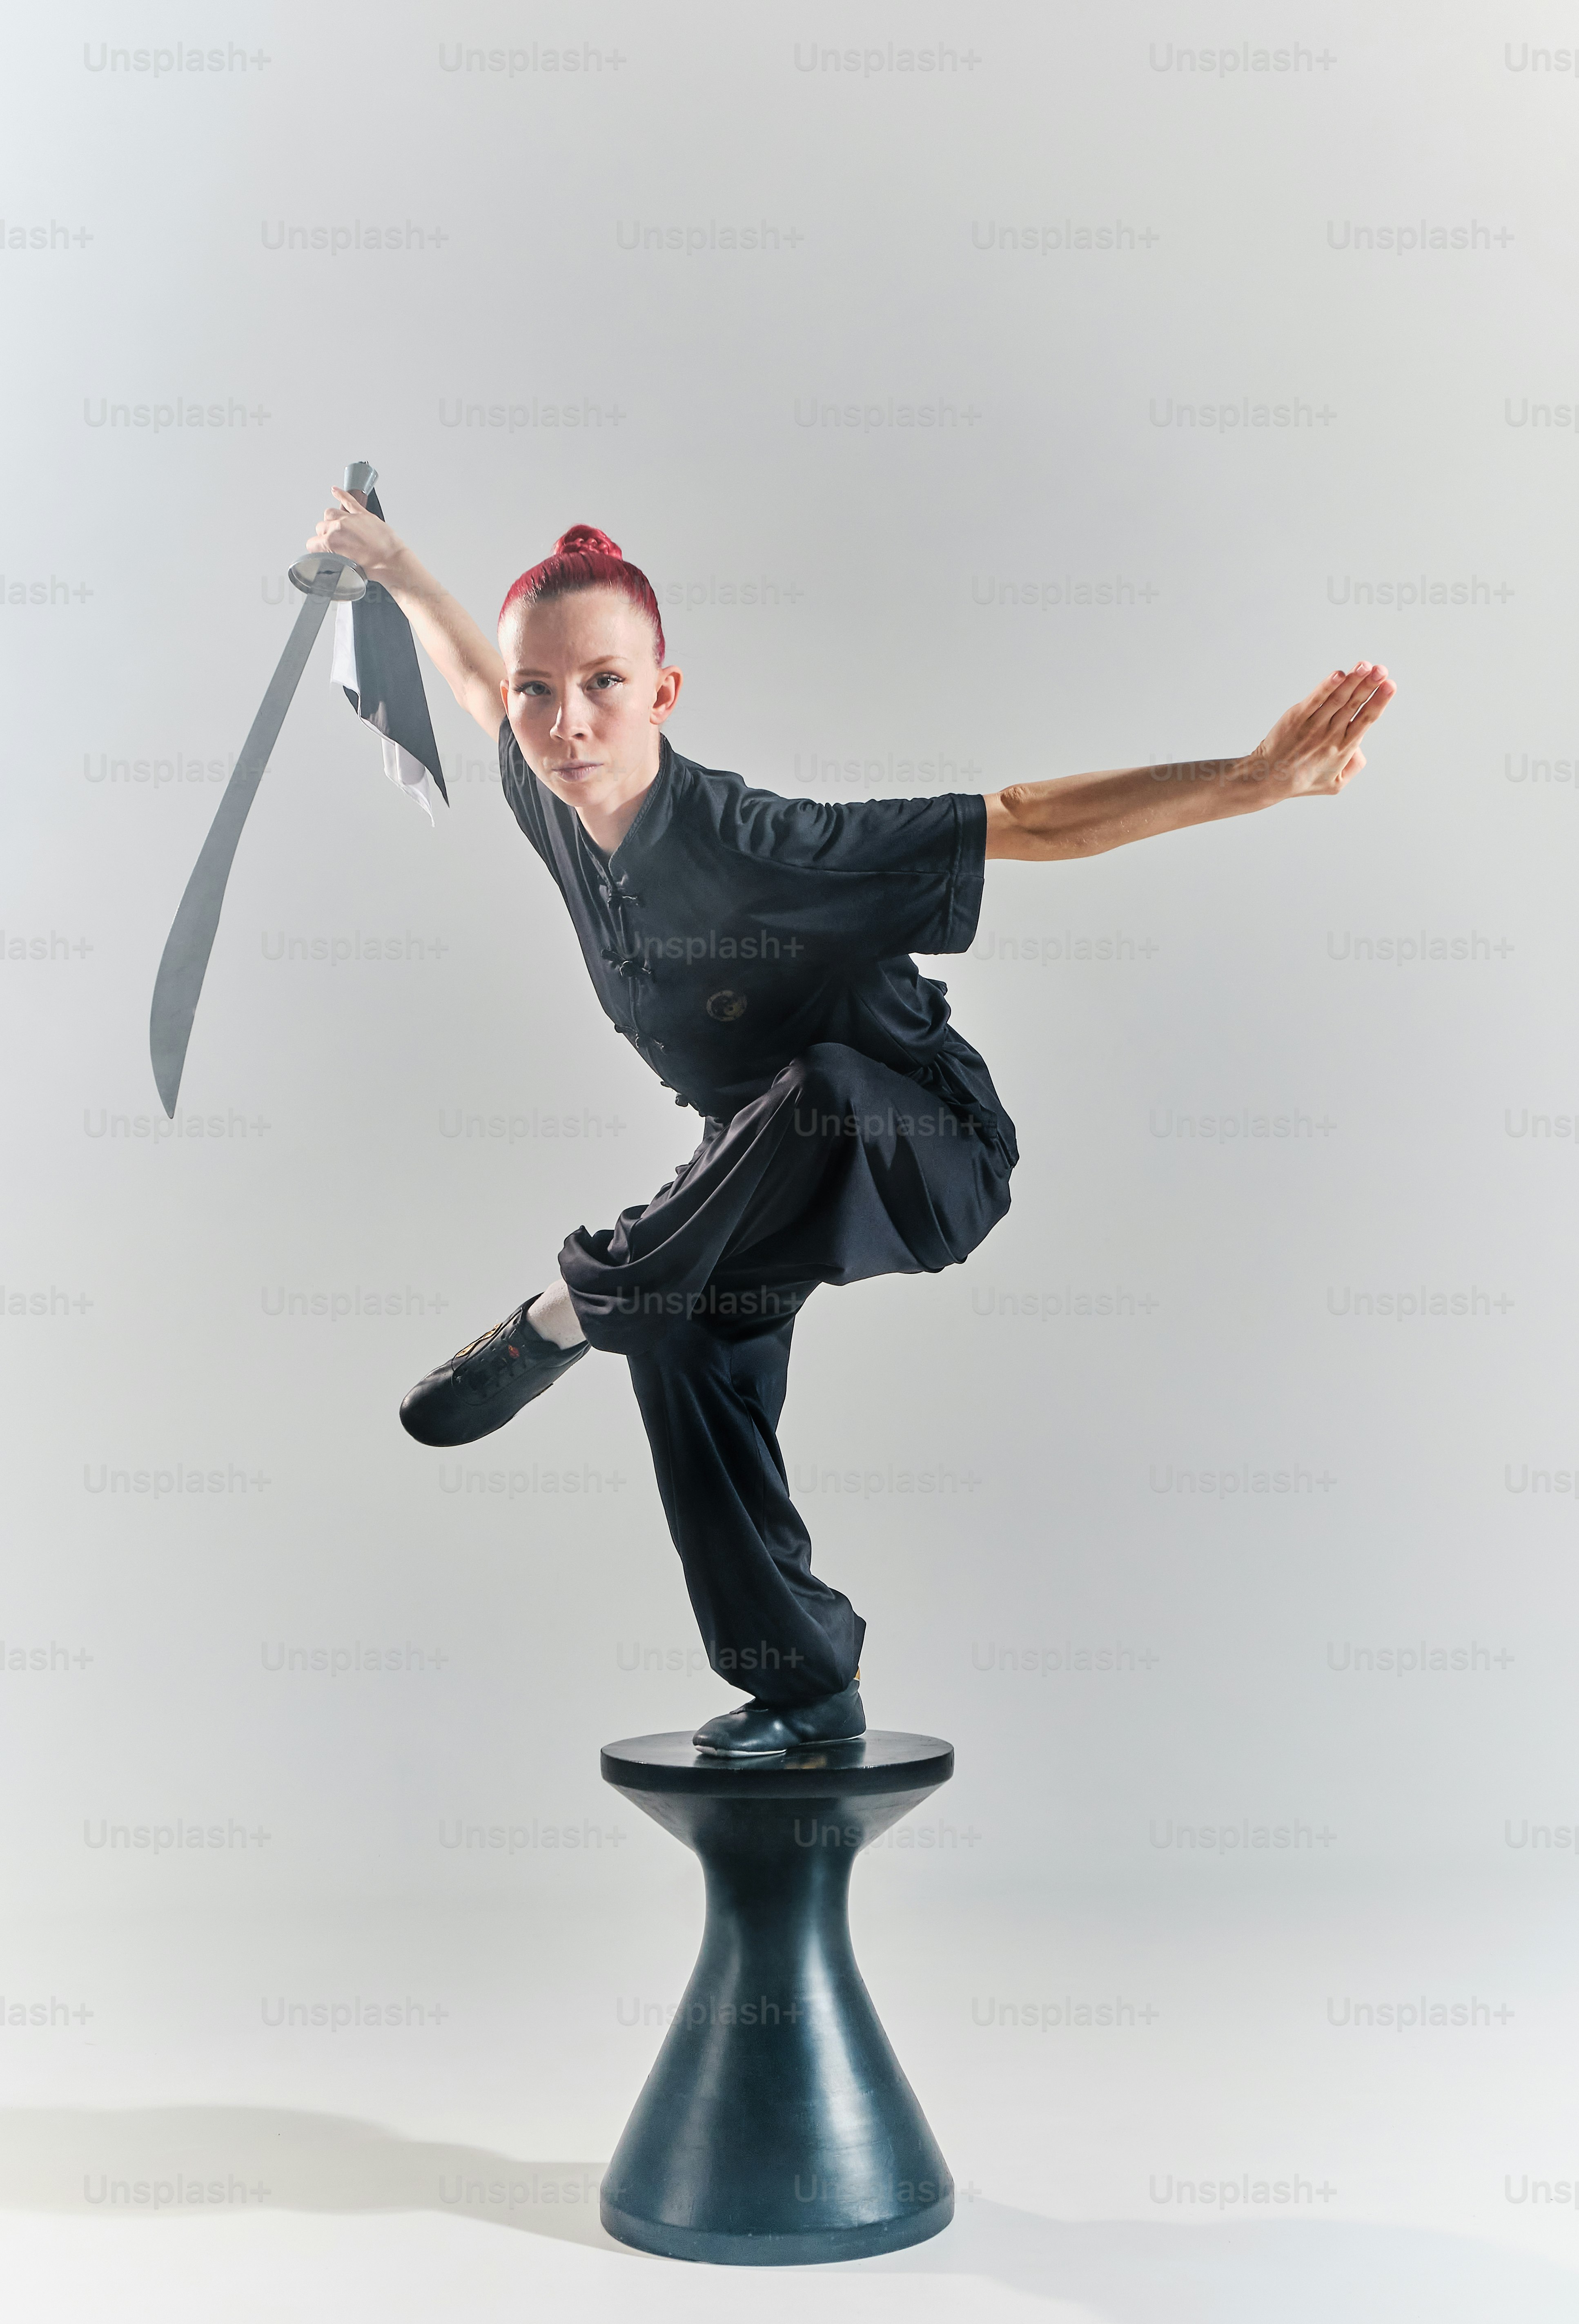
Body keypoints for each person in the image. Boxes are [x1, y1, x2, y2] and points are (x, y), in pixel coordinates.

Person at [305, 489, 1396, 1758]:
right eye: (549, 691)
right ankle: (804, 1683)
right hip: (745, 1175)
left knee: (813, 1090)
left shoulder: (768, 846)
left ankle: (566, 1308)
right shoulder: (547, 785)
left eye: (603, 683)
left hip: (918, 1147)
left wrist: (1254, 781)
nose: (566, 721)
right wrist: (394, 569)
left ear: (661, 695)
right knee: (676, 1341)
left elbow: (1029, 818)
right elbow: (480, 684)